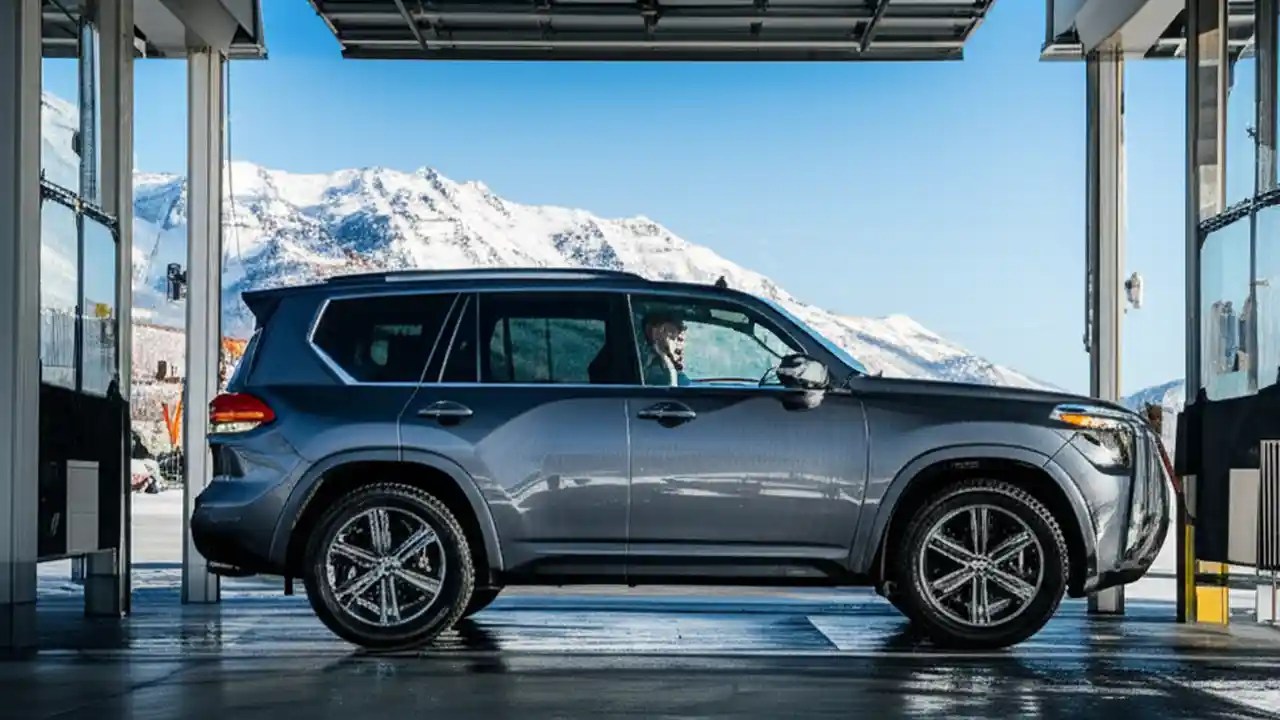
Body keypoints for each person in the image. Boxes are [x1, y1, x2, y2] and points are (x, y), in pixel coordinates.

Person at [640, 311, 691, 387]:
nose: (681, 347)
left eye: (682, 340)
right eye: (675, 339)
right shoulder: (650, 373)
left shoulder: (681, 379)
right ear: (655, 333)